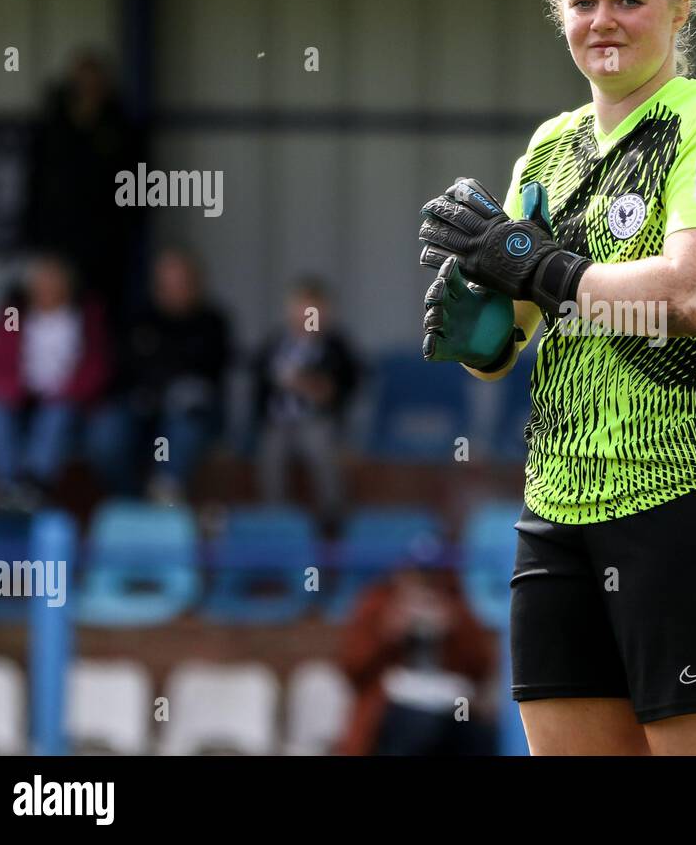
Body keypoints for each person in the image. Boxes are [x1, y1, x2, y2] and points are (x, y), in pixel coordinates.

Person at [417, 0, 696, 755]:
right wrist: (477, 333)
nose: (605, 20)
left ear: (681, 9)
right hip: (558, 505)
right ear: (561, 14)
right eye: (584, 2)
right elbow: (510, 340)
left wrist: (542, 270)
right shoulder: (547, 150)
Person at [0, 254, 112, 509]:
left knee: (57, 412)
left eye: (54, 281)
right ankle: (6, 485)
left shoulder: (85, 316)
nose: (46, 287)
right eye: (41, 280)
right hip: (18, 396)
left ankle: (34, 483)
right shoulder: (14, 314)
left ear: (68, 285)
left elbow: (96, 366)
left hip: (65, 397)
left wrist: (68, 390)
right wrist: (10, 388)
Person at [23, 50, 146, 327]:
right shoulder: (52, 125)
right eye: (82, 81)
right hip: (58, 237)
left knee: (102, 311)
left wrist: (130, 223)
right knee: (55, 306)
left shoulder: (121, 127)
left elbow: (140, 182)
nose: (88, 88)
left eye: (95, 81)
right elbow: (35, 181)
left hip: (106, 243)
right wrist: (33, 234)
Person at [336, 567, 498, 756]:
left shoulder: (453, 600)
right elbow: (353, 668)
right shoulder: (378, 602)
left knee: (479, 734)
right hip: (392, 706)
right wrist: (389, 632)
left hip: (450, 704)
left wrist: (455, 628)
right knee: (421, 729)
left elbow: (481, 668)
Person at [114, 247, 231, 502]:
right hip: (142, 408)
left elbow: (208, 372)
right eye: (167, 284)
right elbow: (126, 370)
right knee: (107, 430)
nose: (174, 290)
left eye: (182, 283)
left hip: (191, 413)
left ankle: (166, 492)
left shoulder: (212, 322)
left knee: (184, 416)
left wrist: (166, 384)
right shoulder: (139, 320)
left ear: (196, 284)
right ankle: (128, 499)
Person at [252, 276, 358, 526]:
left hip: (317, 421)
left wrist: (302, 383)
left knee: (320, 448)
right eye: (300, 309)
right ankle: (276, 522)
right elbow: (258, 383)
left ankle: (331, 521)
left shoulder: (335, 347)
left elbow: (338, 389)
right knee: (271, 453)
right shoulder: (275, 344)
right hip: (277, 423)